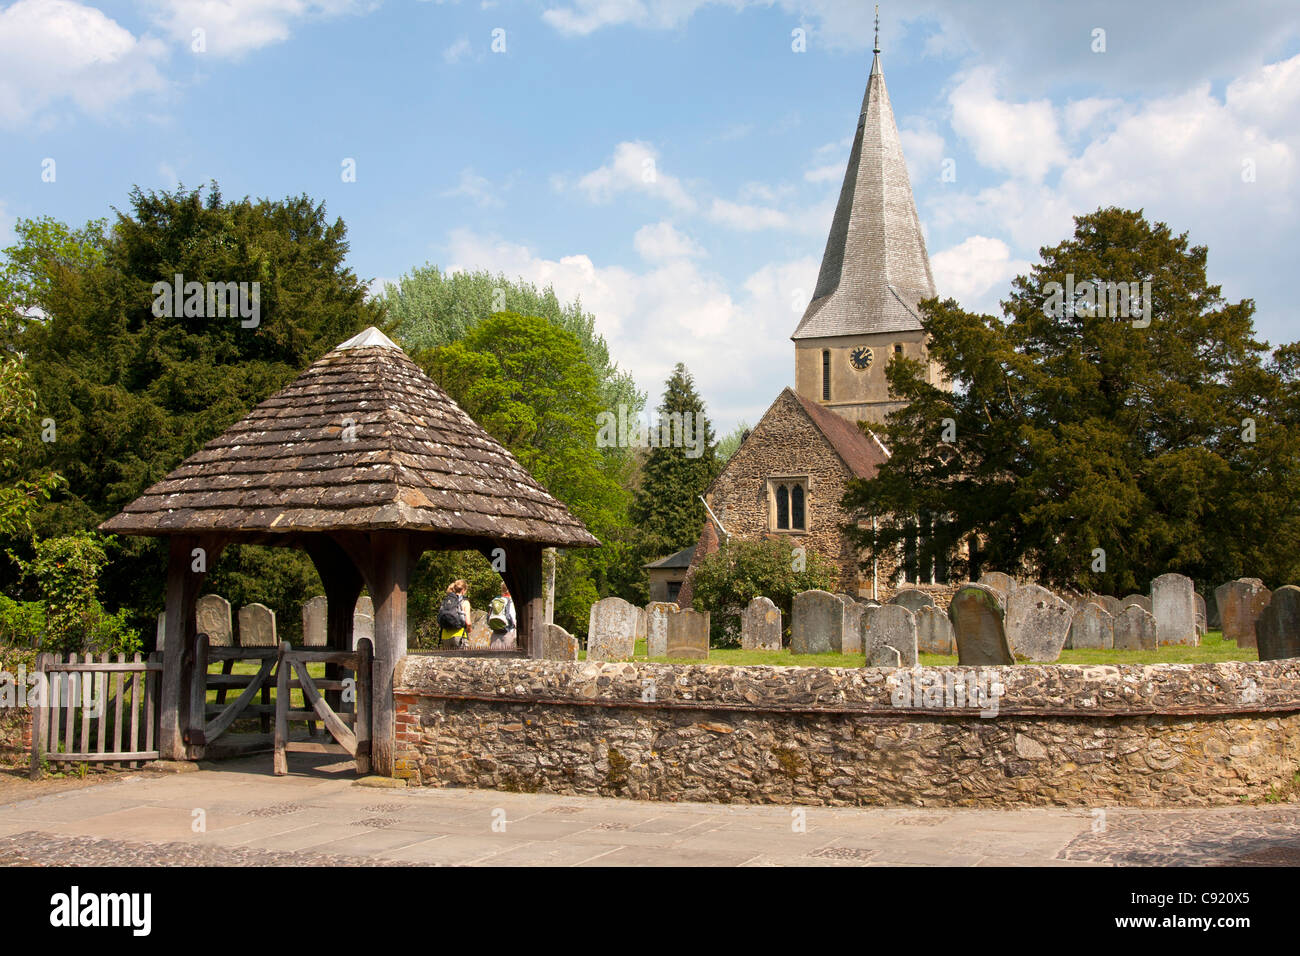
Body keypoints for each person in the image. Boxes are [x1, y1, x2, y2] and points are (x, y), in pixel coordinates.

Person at [438, 580, 472, 648]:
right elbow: (468, 623)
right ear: (463, 590)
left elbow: (440, 621)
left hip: (445, 636)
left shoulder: (446, 601)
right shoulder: (465, 602)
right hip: (459, 636)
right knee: (462, 658)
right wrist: (469, 629)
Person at [488, 584, 517, 650]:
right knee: (506, 656)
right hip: (508, 632)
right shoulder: (511, 601)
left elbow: (489, 614)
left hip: (495, 631)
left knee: (493, 656)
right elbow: (512, 617)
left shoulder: (495, 599)